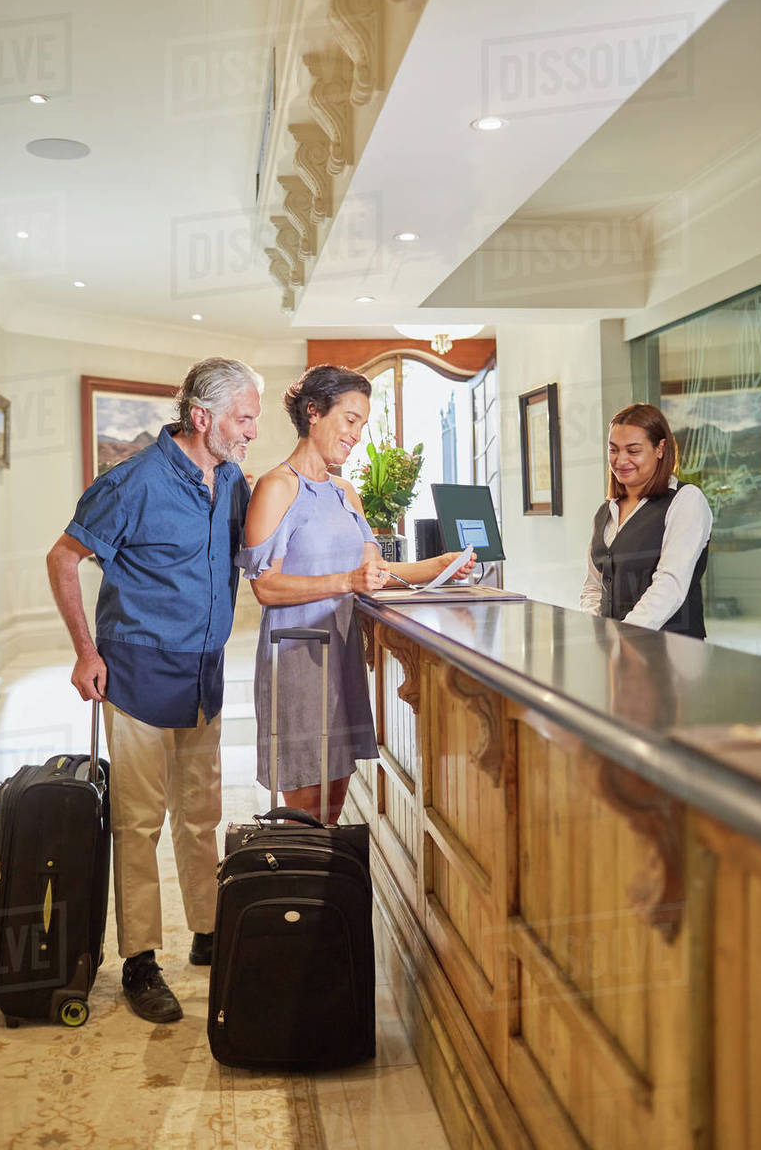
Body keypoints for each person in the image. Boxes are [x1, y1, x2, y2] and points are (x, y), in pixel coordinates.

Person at [46, 357, 263, 1023]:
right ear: (203, 417)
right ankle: (140, 959)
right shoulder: (133, 481)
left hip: (203, 672)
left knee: (200, 814)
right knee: (138, 822)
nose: (251, 431)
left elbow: (253, 557)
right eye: (244, 418)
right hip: (137, 671)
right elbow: (62, 558)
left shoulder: (232, 481)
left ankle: (206, 931)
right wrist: (86, 651)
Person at [238, 364, 474, 823]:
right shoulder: (276, 487)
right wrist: (346, 582)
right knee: (304, 810)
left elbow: (373, 571)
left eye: (362, 425)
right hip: (297, 662)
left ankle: (326, 892)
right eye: (350, 420)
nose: (356, 435)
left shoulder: (346, 491)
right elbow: (265, 586)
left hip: (343, 658)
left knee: (334, 805)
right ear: (313, 413)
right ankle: (298, 892)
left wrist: (437, 566)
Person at [580, 402, 713, 638]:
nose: (620, 461)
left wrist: (624, 635)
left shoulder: (686, 500)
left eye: (633, 451)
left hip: (671, 651)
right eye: (613, 450)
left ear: (660, 448)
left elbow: (670, 583)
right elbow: (593, 586)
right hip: (616, 648)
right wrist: (597, 632)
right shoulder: (605, 512)